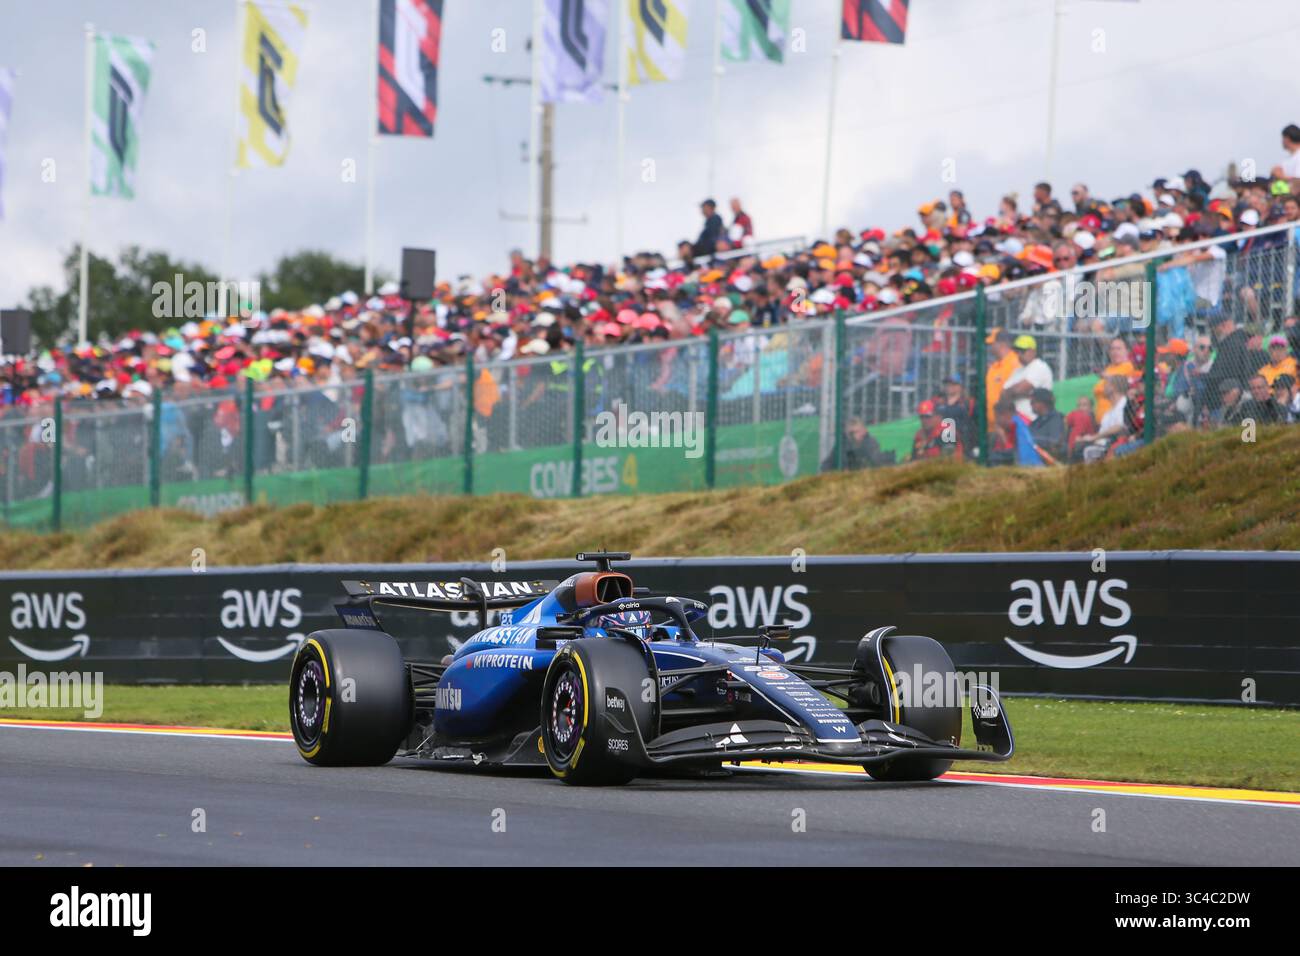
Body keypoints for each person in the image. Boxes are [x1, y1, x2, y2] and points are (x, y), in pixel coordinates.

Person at [1002, 334, 1054, 419]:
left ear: (1032, 351)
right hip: (1017, 420)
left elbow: (1019, 389)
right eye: (1017, 351)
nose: (1019, 354)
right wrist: (1024, 393)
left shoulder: (1039, 366)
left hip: (1033, 420)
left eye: (1022, 351)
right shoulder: (1017, 370)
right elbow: (1003, 393)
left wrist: (1014, 392)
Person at [989, 397, 1043, 466]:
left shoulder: (1021, 425)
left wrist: (1002, 436)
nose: (996, 420)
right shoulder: (1006, 426)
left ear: (1005, 414)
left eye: (997, 416)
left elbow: (1013, 453)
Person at [984, 329, 1021, 427]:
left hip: (1008, 425)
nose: (990, 347)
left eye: (992, 343)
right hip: (992, 424)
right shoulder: (994, 366)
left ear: (1001, 344)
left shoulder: (1015, 363)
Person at [1028, 388, 1066, 463]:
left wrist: (1031, 441)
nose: (1031, 405)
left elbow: (1055, 442)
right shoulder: (1035, 423)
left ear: (1043, 403)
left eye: (1033, 402)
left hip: (1050, 464)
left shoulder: (1056, 419)